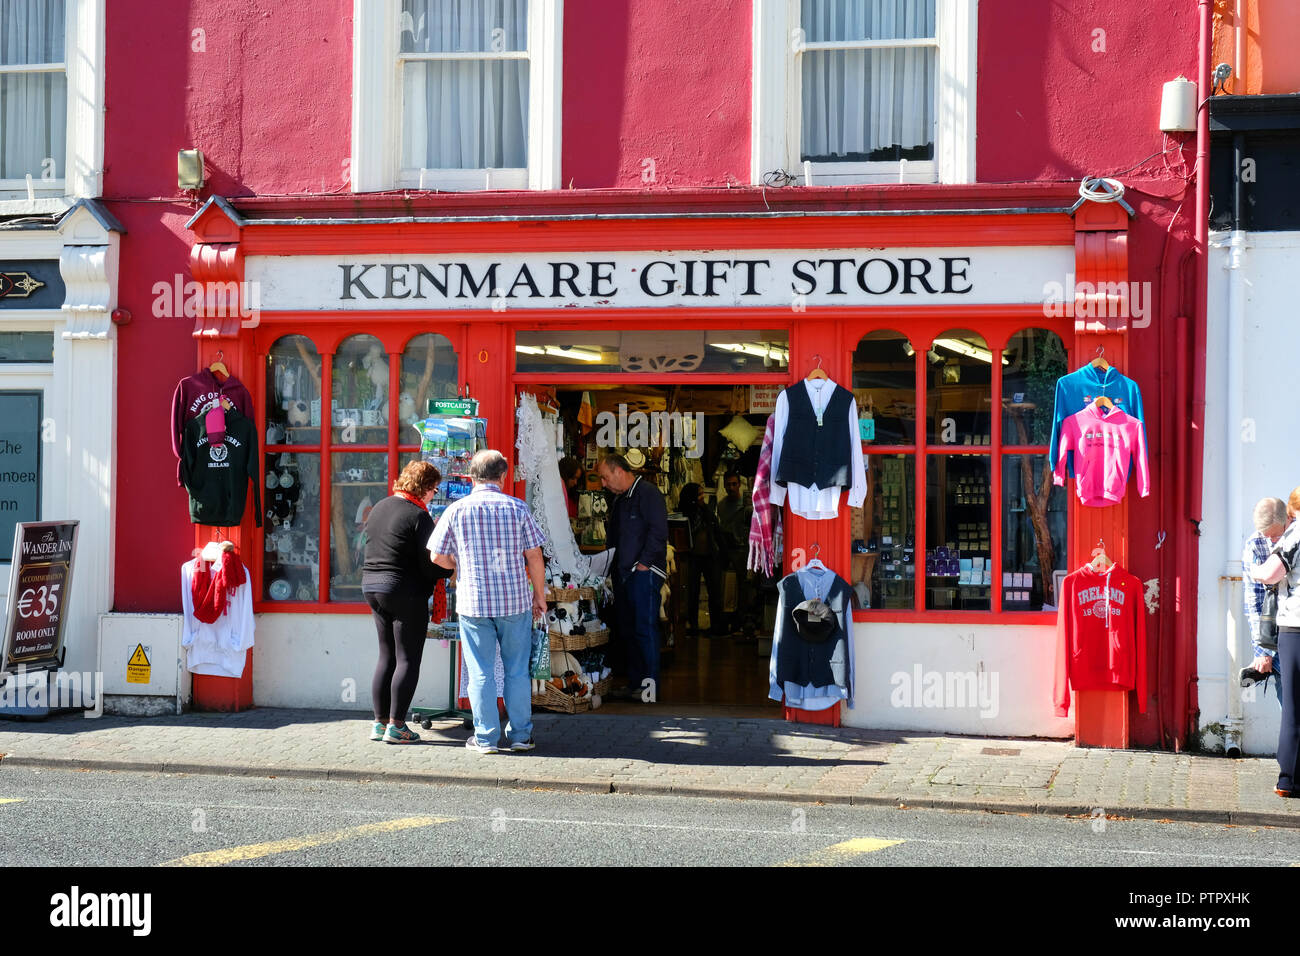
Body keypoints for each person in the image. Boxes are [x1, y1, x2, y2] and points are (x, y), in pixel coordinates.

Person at [429, 450, 548, 755]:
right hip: (514, 602)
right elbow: (534, 556)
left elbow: (436, 555)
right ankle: (521, 735)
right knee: (517, 670)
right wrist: (540, 595)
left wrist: (459, 567)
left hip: (475, 602)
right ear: (503, 476)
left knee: (480, 671)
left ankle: (485, 738)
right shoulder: (518, 508)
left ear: (471, 476)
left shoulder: (457, 510)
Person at [362, 460, 453, 744]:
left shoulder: (380, 506)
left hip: (372, 587)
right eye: (434, 490)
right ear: (424, 487)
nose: (433, 495)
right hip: (404, 591)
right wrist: (451, 568)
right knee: (407, 658)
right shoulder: (418, 515)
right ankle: (397, 726)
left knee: (386, 655)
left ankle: (379, 724)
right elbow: (431, 566)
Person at [598, 453, 668, 701]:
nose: (604, 484)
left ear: (619, 471)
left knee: (644, 629)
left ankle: (649, 689)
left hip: (643, 573)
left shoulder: (647, 493)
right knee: (628, 630)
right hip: (624, 574)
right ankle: (636, 683)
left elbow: (659, 532)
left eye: (605, 478)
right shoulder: (620, 499)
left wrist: (643, 565)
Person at [1250, 486, 1300, 797]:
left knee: (1294, 706)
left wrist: (1253, 571)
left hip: (1295, 628)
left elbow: (1270, 573)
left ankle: (1288, 780)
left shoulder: (1295, 534)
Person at [1243, 497, 1288, 691]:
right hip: (1278, 636)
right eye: (1266, 535)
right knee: (1288, 706)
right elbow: (1254, 602)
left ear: (1287, 520)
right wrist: (1262, 650)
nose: (1271, 541)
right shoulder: (1255, 544)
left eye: (1275, 536)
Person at [678, 482, 726, 637]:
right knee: (692, 592)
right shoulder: (684, 513)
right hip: (692, 558)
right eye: (698, 494)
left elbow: (717, 532)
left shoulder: (707, 511)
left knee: (715, 592)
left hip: (710, 557)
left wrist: (724, 554)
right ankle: (693, 626)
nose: (702, 497)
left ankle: (716, 627)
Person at [716, 470, 755, 634]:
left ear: (739, 484)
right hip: (728, 549)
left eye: (734, 484)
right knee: (727, 586)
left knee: (745, 586)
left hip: (744, 549)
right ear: (724, 485)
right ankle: (730, 619)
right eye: (728, 484)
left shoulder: (746, 505)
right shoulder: (722, 505)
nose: (731, 487)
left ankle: (744, 619)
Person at [559, 456, 584, 520]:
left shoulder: (571, 494)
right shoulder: (559, 494)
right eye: (573, 478)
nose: (575, 482)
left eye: (577, 479)